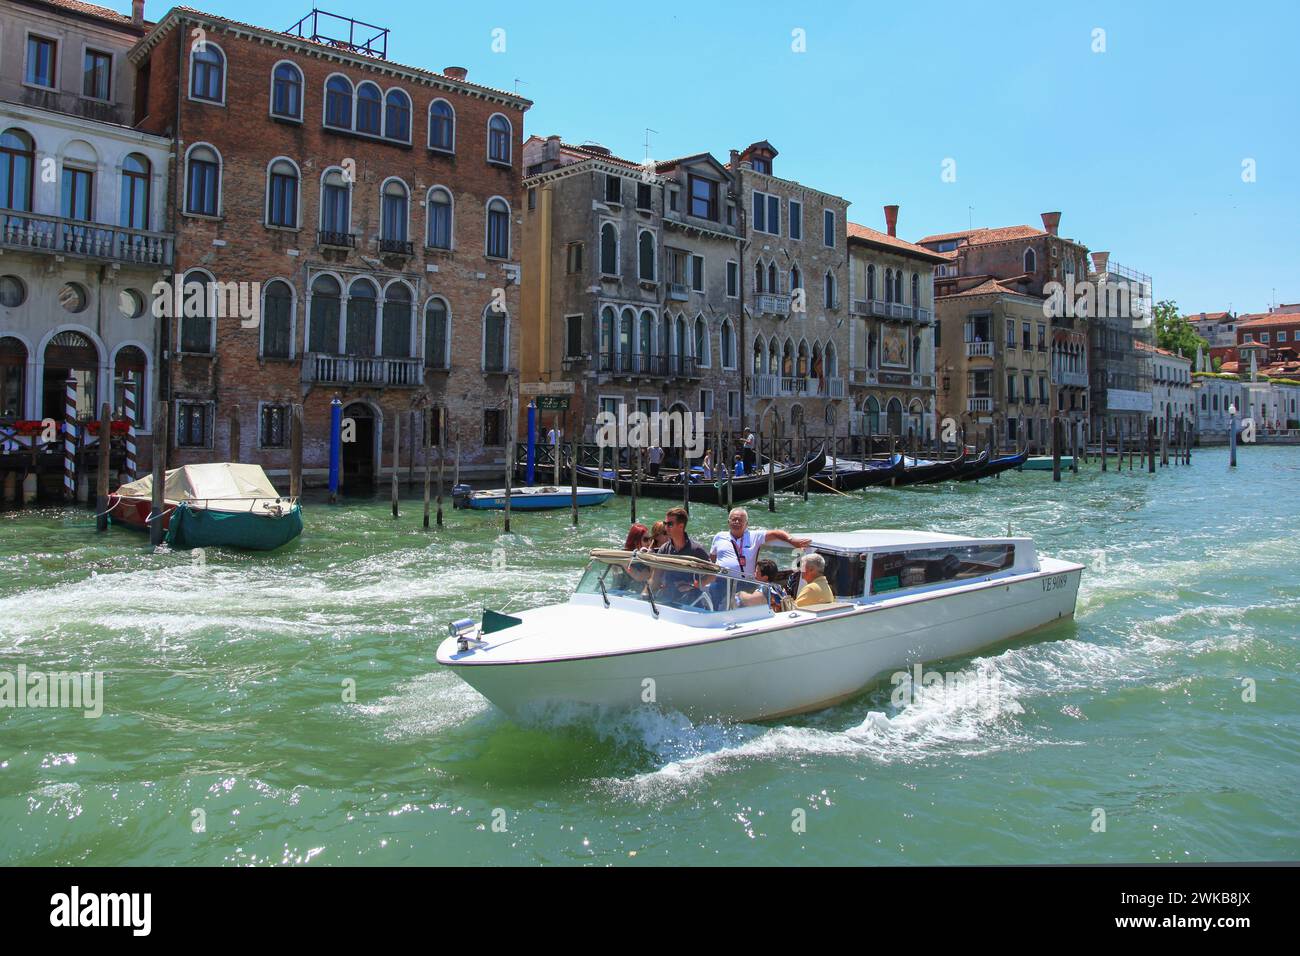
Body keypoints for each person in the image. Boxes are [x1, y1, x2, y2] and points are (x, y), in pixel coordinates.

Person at [709, 507, 812, 580]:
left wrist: (792, 540)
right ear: (728, 522)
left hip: (744, 583)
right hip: (721, 581)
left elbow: (776, 533)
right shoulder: (719, 536)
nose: (736, 522)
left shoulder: (754, 536)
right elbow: (713, 558)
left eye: (740, 520)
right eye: (733, 519)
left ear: (746, 524)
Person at [650, 506, 712, 605]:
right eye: (665, 523)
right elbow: (655, 578)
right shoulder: (664, 549)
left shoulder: (696, 550)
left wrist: (694, 585)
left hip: (690, 601)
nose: (666, 527)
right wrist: (645, 594)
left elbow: (712, 574)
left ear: (681, 526)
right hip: (667, 598)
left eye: (670, 524)